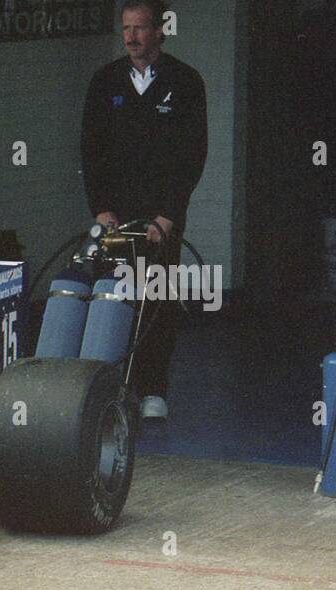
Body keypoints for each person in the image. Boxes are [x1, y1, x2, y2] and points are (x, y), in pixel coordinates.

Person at [81, 0, 207, 419]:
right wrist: (101, 210)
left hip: (161, 215)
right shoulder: (105, 82)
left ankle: (153, 388)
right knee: (114, 296)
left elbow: (193, 154)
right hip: (115, 214)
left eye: (140, 28)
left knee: (157, 297)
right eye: (126, 29)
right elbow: (91, 151)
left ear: (160, 31)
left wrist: (167, 216)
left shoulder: (186, 83)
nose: (132, 37)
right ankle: (112, 387)